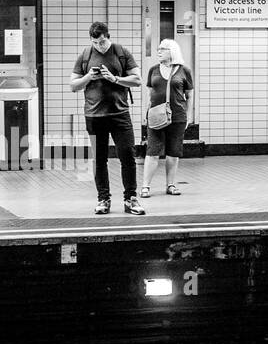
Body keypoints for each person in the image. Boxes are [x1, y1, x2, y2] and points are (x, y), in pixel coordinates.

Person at [71, 21, 145, 214]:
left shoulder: (121, 52)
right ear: (91, 40)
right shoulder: (85, 56)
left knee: (128, 156)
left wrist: (115, 79)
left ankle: (131, 199)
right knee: (99, 159)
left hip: (120, 114)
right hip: (95, 116)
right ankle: (103, 199)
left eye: (102, 42)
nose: (99, 46)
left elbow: (137, 79)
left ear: (108, 37)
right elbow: (73, 85)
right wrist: (89, 77)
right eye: (95, 42)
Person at [139, 38, 193, 197]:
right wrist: (146, 113)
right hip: (156, 116)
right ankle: (145, 186)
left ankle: (171, 185)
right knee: (152, 151)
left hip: (177, 117)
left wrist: (188, 117)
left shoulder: (184, 70)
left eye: (163, 49)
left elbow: (189, 95)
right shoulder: (153, 70)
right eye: (159, 49)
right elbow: (149, 94)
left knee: (173, 152)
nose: (159, 51)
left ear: (172, 51)